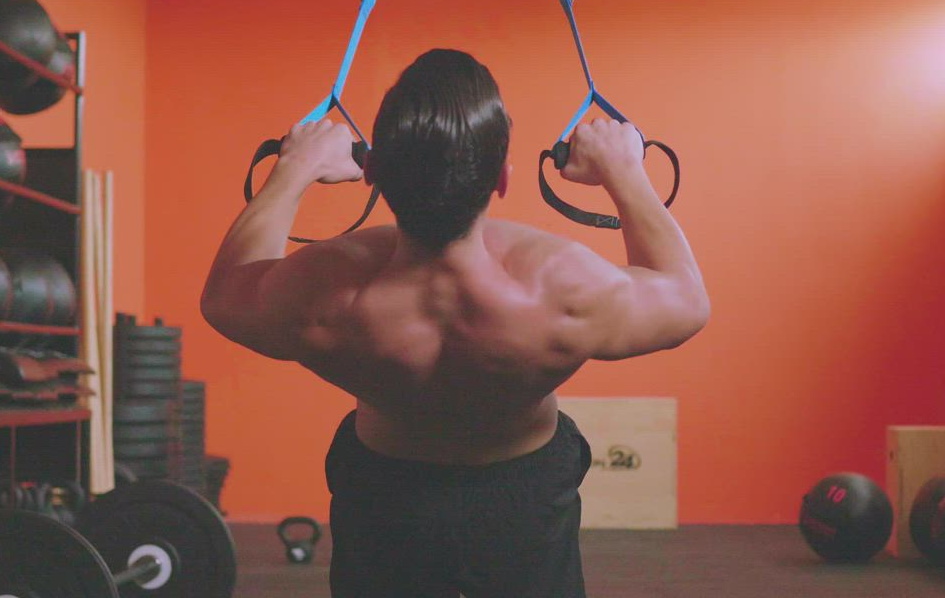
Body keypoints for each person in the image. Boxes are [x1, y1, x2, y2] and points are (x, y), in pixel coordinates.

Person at [201, 49, 709, 597]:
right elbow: (686, 300)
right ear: (503, 180)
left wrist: (295, 168)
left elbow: (225, 293)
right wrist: (625, 174)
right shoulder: (561, 286)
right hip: (524, 499)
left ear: (371, 172)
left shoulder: (325, 293)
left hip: (383, 494)